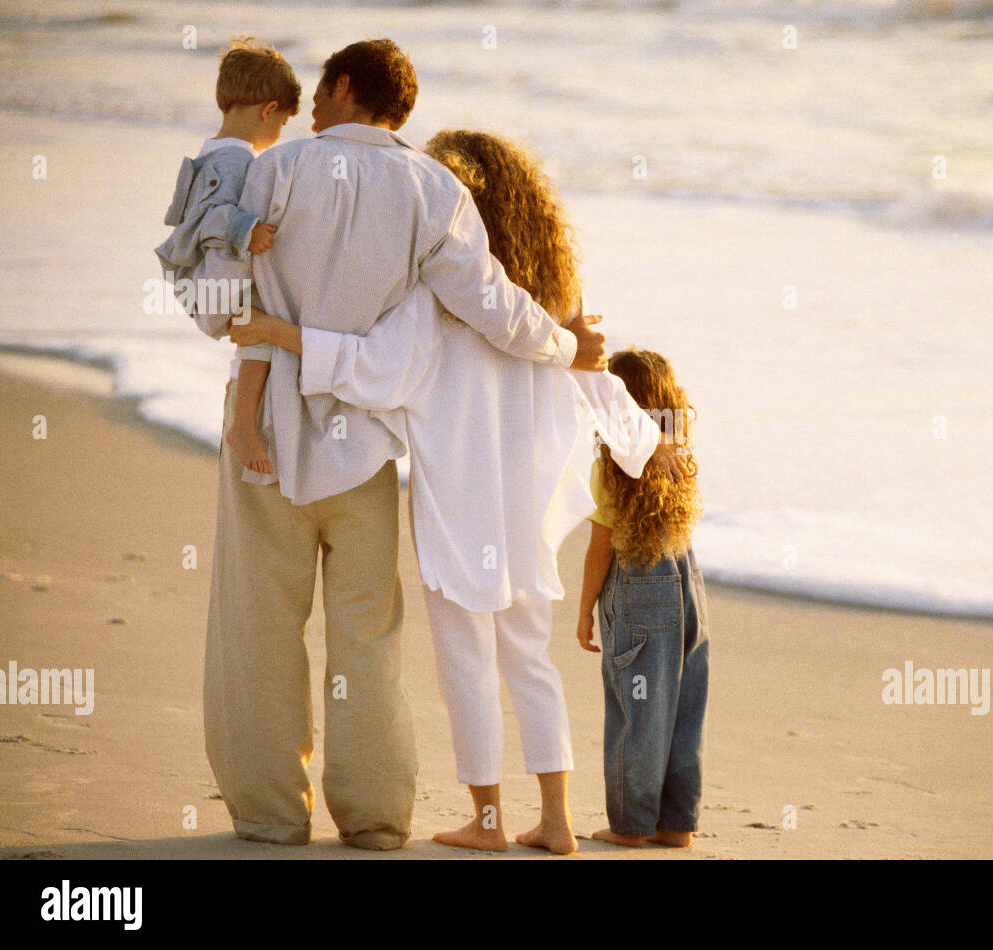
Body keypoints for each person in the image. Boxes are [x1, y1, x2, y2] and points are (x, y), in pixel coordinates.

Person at [193, 40, 608, 851]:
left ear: (345, 87)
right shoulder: (435, 189)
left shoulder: (270, 173)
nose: (308, 109)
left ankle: (272, 813)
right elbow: (494, 308)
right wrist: (566, 346)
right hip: (367, 446)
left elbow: (218, 308)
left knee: (258, 626)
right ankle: (376, 816)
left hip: (267, 430)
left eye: (318, 91)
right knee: (368, 637)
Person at [233, 130, 689, 854]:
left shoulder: (435, 301)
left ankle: (488, 825)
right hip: (526, 512)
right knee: (530, 662)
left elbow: (366, 364)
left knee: (468, 668)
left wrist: (275, 331)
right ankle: (558, 822)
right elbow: (595, 380)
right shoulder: (552, 299)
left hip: (457, 507)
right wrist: (648, 445)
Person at [576, 348, 709, 848]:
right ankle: (675, 823)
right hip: (687, 582)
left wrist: (585, 609)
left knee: (638, 709)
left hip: (639, 589)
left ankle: (631, 825)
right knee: (683, 703)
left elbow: (600, 548)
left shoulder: (613, 467)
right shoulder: (680, 459)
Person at [155, 36, 299, 476]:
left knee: (260, 333)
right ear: (267, 110)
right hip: (215, 284)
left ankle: (243, 424)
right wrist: (246, 229)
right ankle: (243, 427)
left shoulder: (212, 154)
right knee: (265, 330)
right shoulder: (238, 163)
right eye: (284, 124)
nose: (280, 137)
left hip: (206, 280)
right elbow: (209, 220)